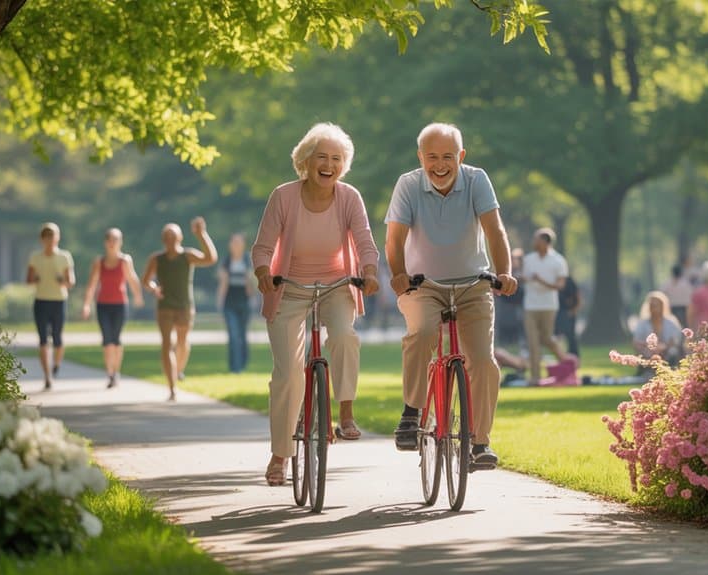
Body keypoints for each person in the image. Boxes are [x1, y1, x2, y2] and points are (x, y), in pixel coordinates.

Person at [252, 122, 380, 486]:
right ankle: (280, 455)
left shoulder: (350, 197)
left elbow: (366, 242)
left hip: (337, 285)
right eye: (321, 157)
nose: (329, 164)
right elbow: (262, 246)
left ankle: (346, 410)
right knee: (288, 376)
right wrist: (263, 271)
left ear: (344, 165)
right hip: (289, 288)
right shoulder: (283, 196)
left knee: (343, 336)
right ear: (305, 162)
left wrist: (369, 271)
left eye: (336, 158)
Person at [385, 122, 518, 469]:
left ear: (461, 156)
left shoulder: (476, 180)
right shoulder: (408, 185)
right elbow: (395, 239)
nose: (440, 165)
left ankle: (479, 442)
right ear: (420, 157)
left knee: (484, 362)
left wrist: (504, 274)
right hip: (422, 285)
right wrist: (398, 274)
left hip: (473, 285)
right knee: (423, 333)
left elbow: (495, 230)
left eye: (448, 157)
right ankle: (411, 412)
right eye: (432, 157)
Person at [141, 218, 217, 401]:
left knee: (182, 341)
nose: (170, 239)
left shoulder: (187, 256)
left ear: (180, 237)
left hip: (185, 306)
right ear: (163, 239)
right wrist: (153, 288)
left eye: (173, 236)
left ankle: (178, 370)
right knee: (167, 344)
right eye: (167, 236)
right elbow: (145, 280)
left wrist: (201, 234)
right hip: (165, 307)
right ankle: (172, 387)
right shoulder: (156, 259)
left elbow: (210, 258)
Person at [81, 228, 144, 389]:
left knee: (116, 339)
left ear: (120, 242)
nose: (112, 243)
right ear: (105, 242)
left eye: (115, 240)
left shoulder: (125, 261)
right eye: (109, 240)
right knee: (107, 339)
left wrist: (138, 296)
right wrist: (86, 304)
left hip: (120, 304)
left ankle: (116, 371)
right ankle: (110, 373)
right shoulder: (99, 262)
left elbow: (132, 278)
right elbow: (92, 284)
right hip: (102, 305)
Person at [26, 222, 75, 390]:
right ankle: (47, 376)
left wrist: (62, 281)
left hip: (58, 301)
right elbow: (29, 280)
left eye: (53, 237)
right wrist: (36, 279)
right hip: (41, 301)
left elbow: (71, 282)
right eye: (47, 237)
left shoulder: (64, 257)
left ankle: (57, 364)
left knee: (58, 339)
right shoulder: (35, 257)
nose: (50, 240)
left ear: (57, 238)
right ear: (42, 239)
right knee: (43, 340)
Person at [521, 227, 570, 386]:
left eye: (537, 239)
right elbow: (523, 277)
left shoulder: (558, 260)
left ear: (545, 242)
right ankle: (535, 377)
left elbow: (560, 285)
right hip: (530, 305)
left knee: (547, 338)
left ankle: (565, 361)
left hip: (548, 305)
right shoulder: (528, 259)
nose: (534, 242)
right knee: (533, 342)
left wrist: (540, 280)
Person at [217, 233, 255, 374]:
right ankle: (235, 367)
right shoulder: (226, 262)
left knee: (243, 336)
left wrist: (249, 279)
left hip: (244, 303)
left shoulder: (248, 262)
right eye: (233, 242)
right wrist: (220, 304)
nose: (236, 245)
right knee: (233, 335)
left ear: (243, 245)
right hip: (229, 304)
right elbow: (222, 286)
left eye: (238, 242)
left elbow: (252, 289)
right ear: (230, 245)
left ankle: (243, 364)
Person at [633, 291, 684, 368]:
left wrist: (664, 347)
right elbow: (637, 341)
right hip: (648, 354)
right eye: (652, 305)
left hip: (668, 354)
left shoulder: (671, 323)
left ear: (663, 306)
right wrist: (649, 347)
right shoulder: (642, 324)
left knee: (672, 352)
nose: (654, 308)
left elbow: (676, 340)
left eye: (657, 305)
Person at [555, 273, 582, 357]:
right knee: (558, 337)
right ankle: (563, 356)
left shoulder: (569, 281)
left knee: (570, 336)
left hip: (568, 312)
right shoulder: (552, 279)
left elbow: (578, 296)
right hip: (557, 313)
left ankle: (574, 356)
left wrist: (574, 311)